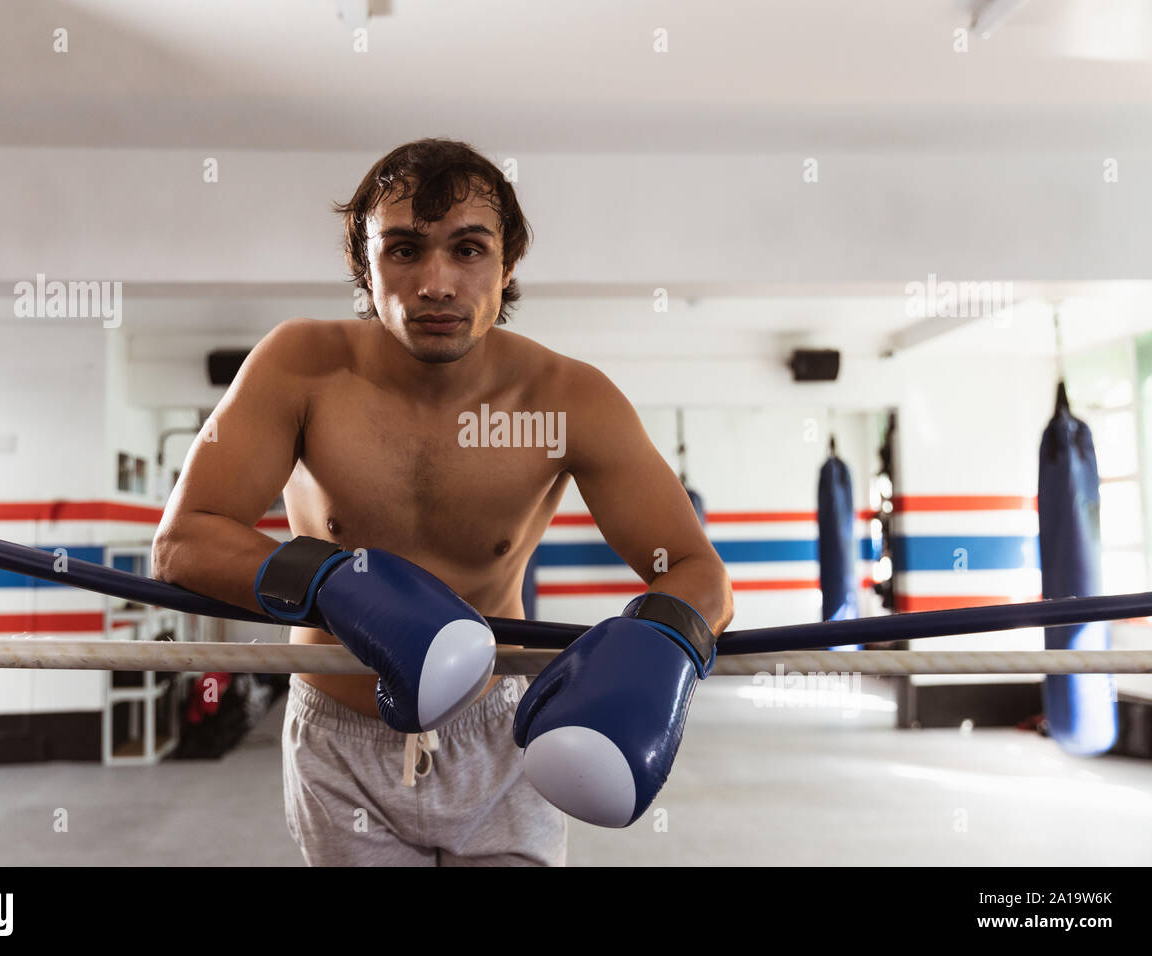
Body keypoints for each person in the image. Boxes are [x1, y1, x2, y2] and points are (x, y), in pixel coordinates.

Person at [153, 137, 734, 866]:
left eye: (467, 249)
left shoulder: (567, 399)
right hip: (342, 730)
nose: (435, 282)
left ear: (507, 263)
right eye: (403, 250)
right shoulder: (300, 366)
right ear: (363, 265)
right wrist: (335, 585)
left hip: (501, 732)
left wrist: (657, 649)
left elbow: (695, 569)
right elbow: (182, 544)